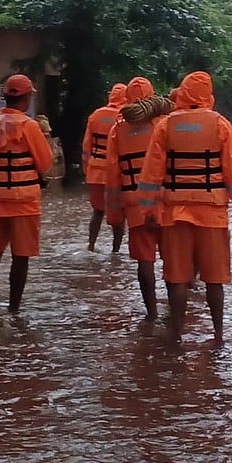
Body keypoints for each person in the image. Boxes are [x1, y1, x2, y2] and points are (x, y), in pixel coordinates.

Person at [139, 71, 232, 342]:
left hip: (173, 213)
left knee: (177, 278)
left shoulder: (165, 126)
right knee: (215, 280)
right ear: (208, 95)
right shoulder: (220, 125)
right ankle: (217, 335)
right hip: (212, 213)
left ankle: (177, 335)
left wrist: (148, 211)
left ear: (183, 93)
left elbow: (151, 174)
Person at [0, 74, 54, 313]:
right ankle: (14, 310)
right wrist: (46, 136)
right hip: (24, 202)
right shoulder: (29, 126)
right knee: (21, 257)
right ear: (27, 97)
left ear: (6, 96)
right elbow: (46, 163)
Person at [105, 77, 174, 319]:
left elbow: (112, 175)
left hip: (135, 207)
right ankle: (175, 313)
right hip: (165, 203)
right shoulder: (163, 123)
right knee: (173, 261)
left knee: (145, 262)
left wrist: (113, 214)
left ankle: (152, 313)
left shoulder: (117, 129)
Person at [83, 83, 127, 252]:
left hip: (95, 171)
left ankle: (91, 246)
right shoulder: (124, 118)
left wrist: (87, 170)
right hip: (115, 173)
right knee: (118, 215)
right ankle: (116, 251)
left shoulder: (95, 115)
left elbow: (87, 146)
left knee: (97, 211)